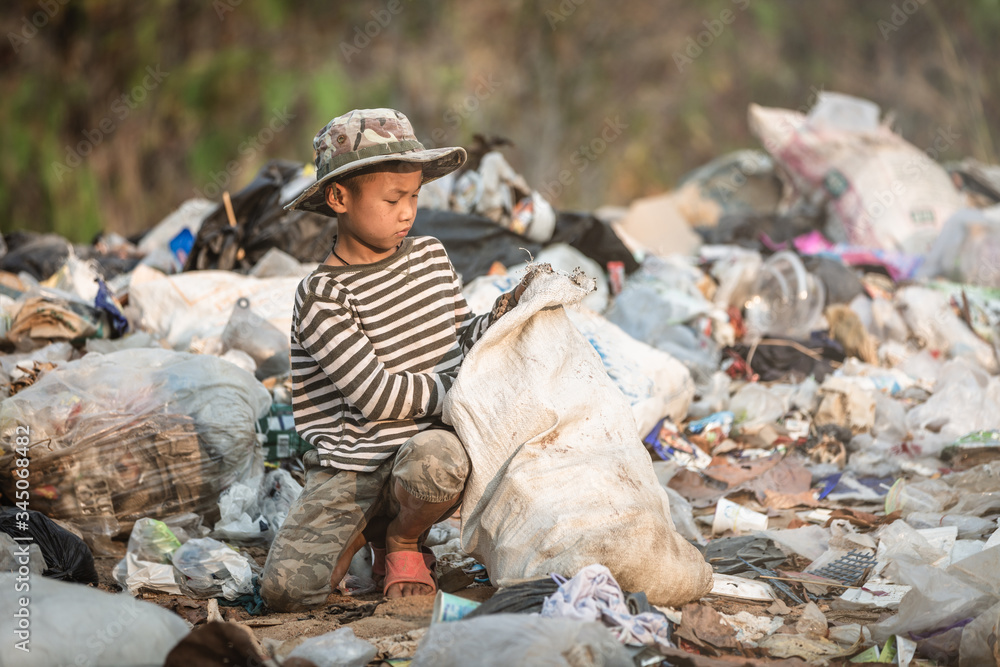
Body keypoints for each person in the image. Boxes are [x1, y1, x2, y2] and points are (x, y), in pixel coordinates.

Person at [260, 109, 527, 611]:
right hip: (351, 466)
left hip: (421, 454)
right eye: (392, 199)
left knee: (442, 463)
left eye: (414, 198)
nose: (408, 212)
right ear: (339, 198)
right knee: (286, 594)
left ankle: (404, 539)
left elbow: (459, 338)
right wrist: (460, 383)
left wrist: (500, 318)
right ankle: (368, 525)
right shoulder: (322, 295)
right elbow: (379, 397)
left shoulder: (430, 256)